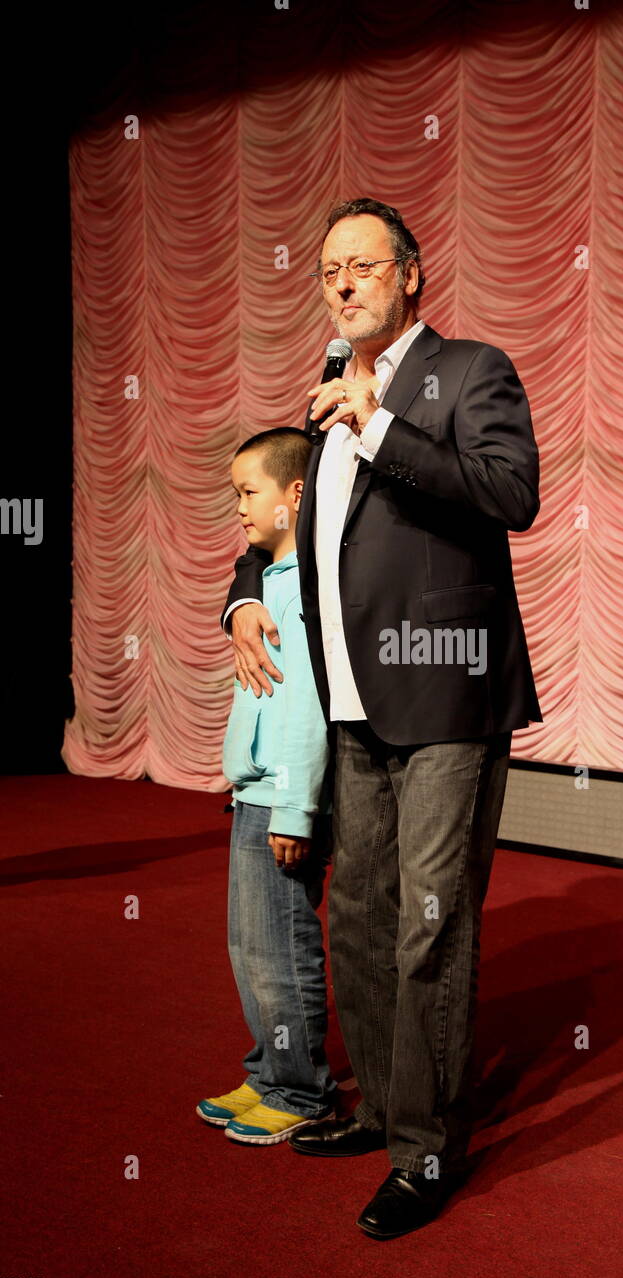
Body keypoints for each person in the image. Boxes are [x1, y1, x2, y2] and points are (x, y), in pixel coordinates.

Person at [222, 197, 542, 1234]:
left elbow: (511, 491)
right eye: (327, 271)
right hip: (352, 703)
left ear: (411, 274)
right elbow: (285, 524)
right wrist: (240, 596)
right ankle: (380, 1111)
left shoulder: (470, 371)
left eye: (361, 265)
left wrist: (383, 424)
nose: (341, 282)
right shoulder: (322, 400)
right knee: (357, 915)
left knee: (427, 927)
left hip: (446, 692)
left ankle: (428, 1149)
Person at [198, 427, 337, 1144]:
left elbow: (309, 707)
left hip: (280, 800)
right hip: (252, 794)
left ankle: (300, 1089)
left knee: (282, 949)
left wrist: (292, 805)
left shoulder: (310, 587)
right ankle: (267, 1071)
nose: (240, 508)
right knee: (249, 947)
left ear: (296, 494)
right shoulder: (266, 581)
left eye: (249, 493)